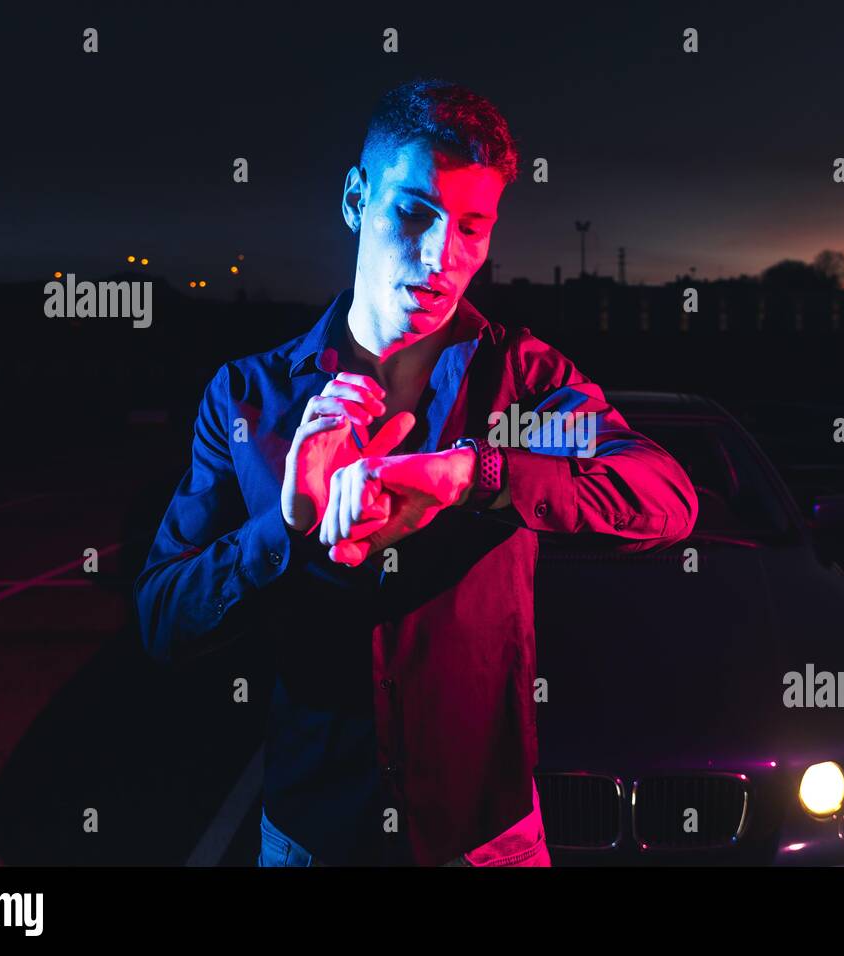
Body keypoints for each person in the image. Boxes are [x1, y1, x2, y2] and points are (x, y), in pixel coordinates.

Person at [134, 77, 697, 866]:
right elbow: (162, 620)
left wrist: (479, 472)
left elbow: (665, 497)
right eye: (415, 213)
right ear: (355, 199)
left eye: (473, 227)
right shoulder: (248, 399)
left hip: (486, 838)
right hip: (313, 839)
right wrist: (286, 527)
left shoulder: (525, 383)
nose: (442, 257)